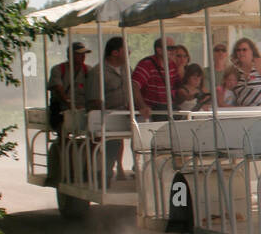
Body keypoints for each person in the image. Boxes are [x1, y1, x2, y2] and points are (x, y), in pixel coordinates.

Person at [87, 36, 148, 182]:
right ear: (115, 53)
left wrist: (141, 106)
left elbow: (133, 90)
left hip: (127, 113)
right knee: (112, 144)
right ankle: (104, 176)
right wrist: (108, 112)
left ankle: (140, 172)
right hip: (108, 116)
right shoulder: (98, 72)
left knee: (142, 137)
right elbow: (94, 100)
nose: (129, 53)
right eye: (125, 50)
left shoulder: (128, 69)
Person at [47, 42, 90, 132]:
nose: (83, 56)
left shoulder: (88, 70)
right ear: (70, 55)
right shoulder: (58, 69)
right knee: (63, 131)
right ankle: (61, 142)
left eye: (84, 54)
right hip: (62, 109)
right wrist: (71, 105)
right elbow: (58, 89)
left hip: (83, 109)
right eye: (79, 54)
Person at [132, 37, 180, 117]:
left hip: (166, 113)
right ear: (159, 50)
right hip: (149, 114)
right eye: (170, 48)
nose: (174, 51)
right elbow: (134, 85)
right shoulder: (146, 64)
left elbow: (177, 87)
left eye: (175, 48)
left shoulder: (172, 66)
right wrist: (142, 106)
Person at [230, 37, 261, 107]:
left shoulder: (259, 63)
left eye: (244, 50)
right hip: (243, 111)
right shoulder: (234, 69)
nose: (241, 52)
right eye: (238, 50)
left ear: (252, 51)